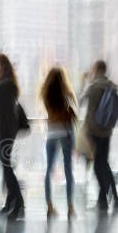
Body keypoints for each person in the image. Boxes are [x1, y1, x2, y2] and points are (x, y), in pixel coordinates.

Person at [80, 60, 118, 212]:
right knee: (103, 163)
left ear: (97, 69)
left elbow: (80, 101)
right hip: (107, 131)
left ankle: (105, 199)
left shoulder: (94, 87)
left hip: (93, 131)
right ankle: (111, 197)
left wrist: (84, 81)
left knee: (98, 166)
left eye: (92, 68)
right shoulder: (111, 86)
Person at [0, 54, 25, 220]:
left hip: (4, 131)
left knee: (7, 168)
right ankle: (10, 204)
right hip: (3, 130)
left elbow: (0, 106)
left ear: (2, 64)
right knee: (5, 168)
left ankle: (19, 204)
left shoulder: (6, 84)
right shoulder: (7, 83)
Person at [40, 66, 77, 220]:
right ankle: (70, 207)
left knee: (48, 170)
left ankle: (49, 206)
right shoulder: (66, 95)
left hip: (51, 134)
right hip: (66, 133)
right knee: (68, 170)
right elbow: (72, 116)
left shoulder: (46, 95)